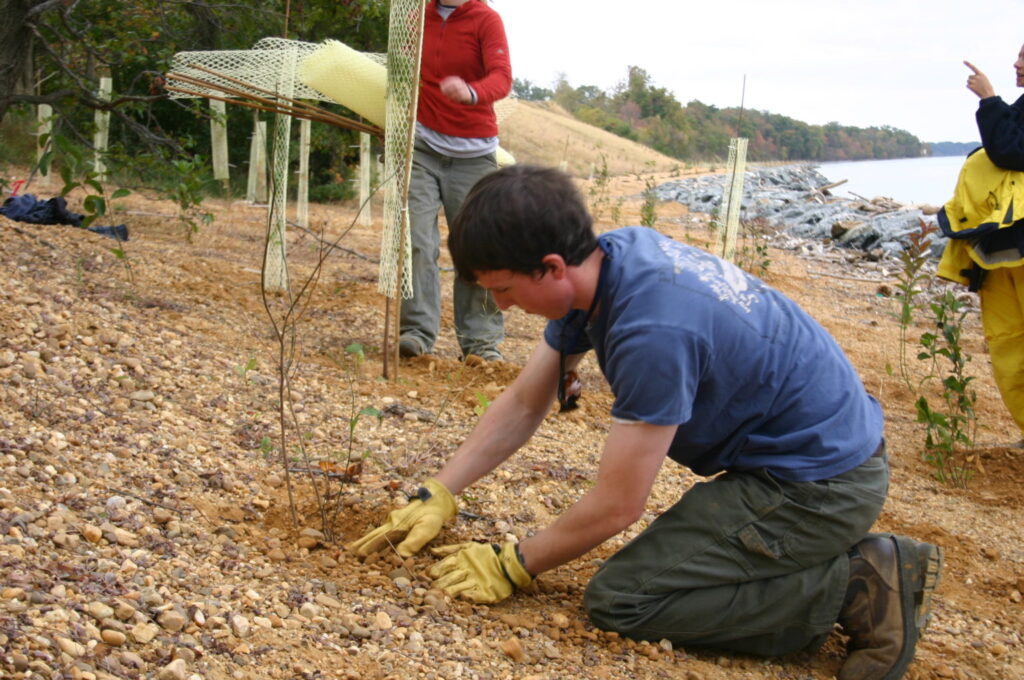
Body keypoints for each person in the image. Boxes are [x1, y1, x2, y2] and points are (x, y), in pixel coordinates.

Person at [350, 165, 943, 680]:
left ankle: (858, 584)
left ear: (552, 266)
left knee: (624, 599)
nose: (502, 306)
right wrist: (441, 490)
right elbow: (527, 402)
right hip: (802, 457)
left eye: (504, 289)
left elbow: (618, 506)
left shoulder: (653, 331)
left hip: (821, 485)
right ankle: (821, 569)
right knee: (659, 577)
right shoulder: (610, 261)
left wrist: (515, 562)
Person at [399, 0, 511, 361]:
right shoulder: (416, 16)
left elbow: (502, 77)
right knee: (416, 239)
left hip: (474, 155)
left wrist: (472, 91)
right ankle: (416, 333)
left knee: (476, 247)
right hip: (422, 146)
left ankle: (481, 343)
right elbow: (401, 67)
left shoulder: (486, 19)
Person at [937, 48, 1024, 438]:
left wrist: (989, 99)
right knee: (1008, 343)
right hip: (1003, 251)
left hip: (1015, 249)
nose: (1016, 64)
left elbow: (1011, 152)